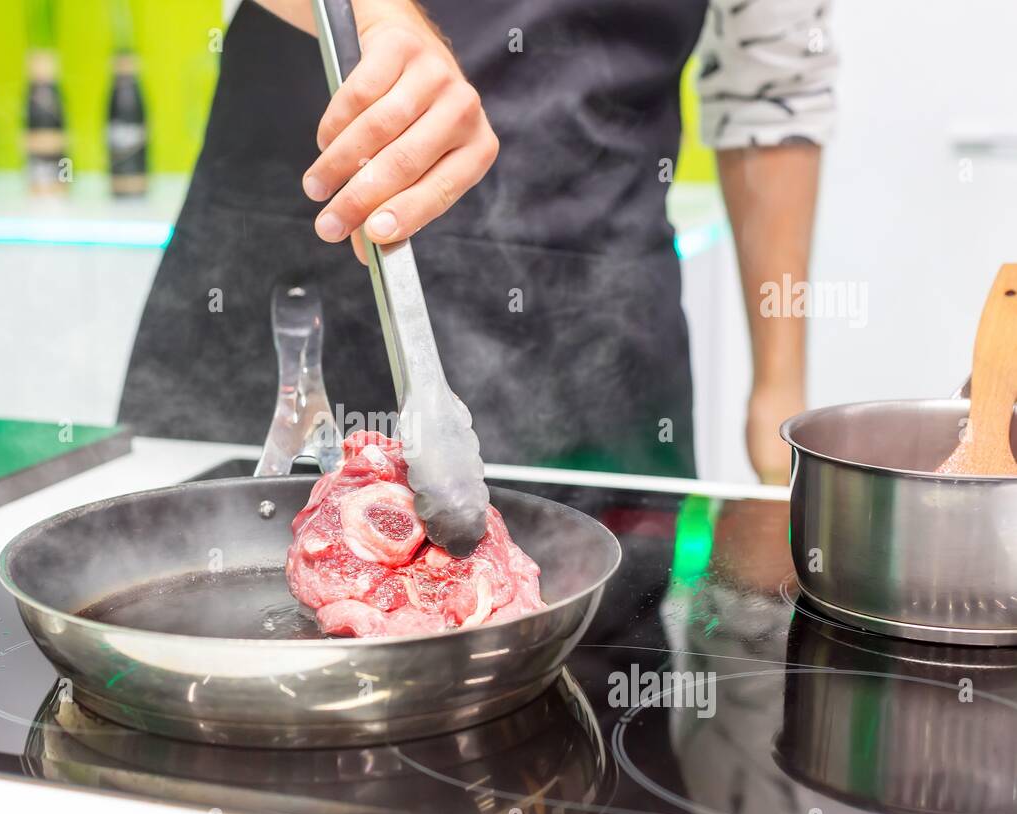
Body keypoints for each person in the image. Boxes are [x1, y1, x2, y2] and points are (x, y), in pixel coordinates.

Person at [119, 0, 837, 483]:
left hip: (595, 336)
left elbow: (771, 95)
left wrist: (779, 392)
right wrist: (377, 16)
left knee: (595, 662)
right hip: (287, 283)